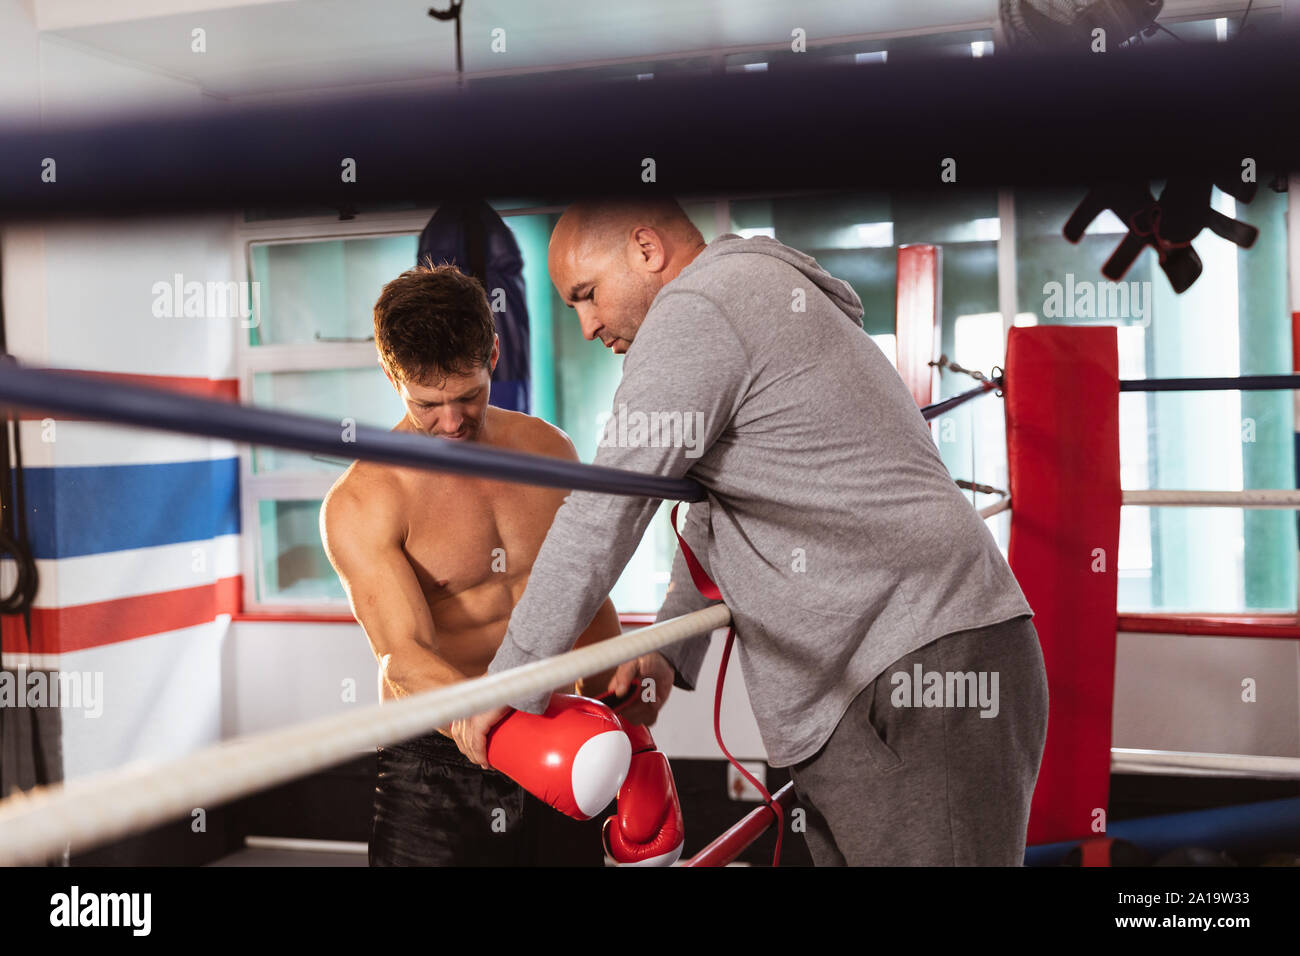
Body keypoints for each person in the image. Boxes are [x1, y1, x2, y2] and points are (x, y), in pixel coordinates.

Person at [457, 197, 1050, 866]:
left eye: (588, 295)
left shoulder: (698, 310)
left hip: (915, 664)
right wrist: (666, 652)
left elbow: (605, 510)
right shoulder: (754, 289)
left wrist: (508, 683)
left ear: (647, 251)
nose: (589, 325)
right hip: (885, 672)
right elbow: (721, 507)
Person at [320, 262, 621, 866]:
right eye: (428, 404)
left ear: (494, 352)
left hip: (555, 733)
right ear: (390, 374)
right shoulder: (367, 499)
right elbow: (402, 654)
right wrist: (488, 719)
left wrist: (621, 719)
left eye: (469, 395)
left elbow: (577, 591)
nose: (453, 421)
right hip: (435, 764)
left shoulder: (547, 450)